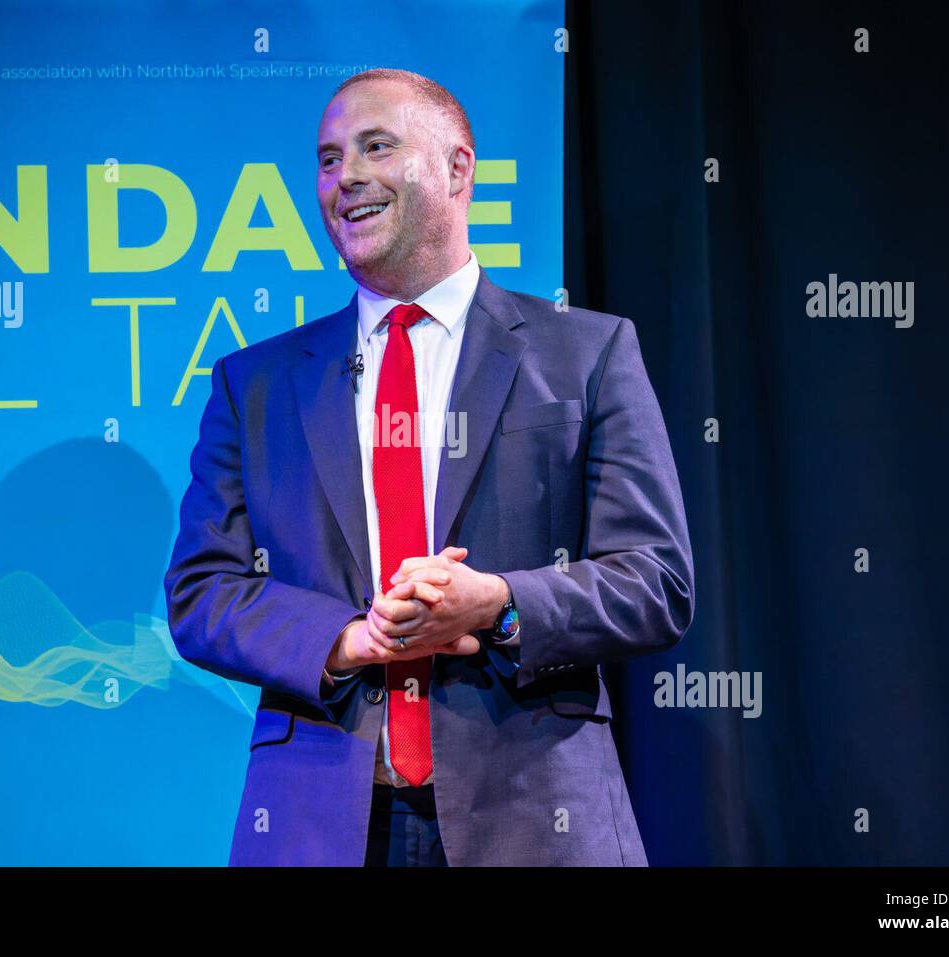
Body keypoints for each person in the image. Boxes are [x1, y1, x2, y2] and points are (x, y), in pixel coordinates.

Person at [164, 68, 694, 866]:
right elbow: (202, 592)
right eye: (329, 158)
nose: (347, 178)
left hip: (534, 813)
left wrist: (499, 605)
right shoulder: (256, 384)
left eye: (377, 146)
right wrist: (347, 638)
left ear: (457, 168)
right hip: (320, 822)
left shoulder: (586, 353)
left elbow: (656, 579)